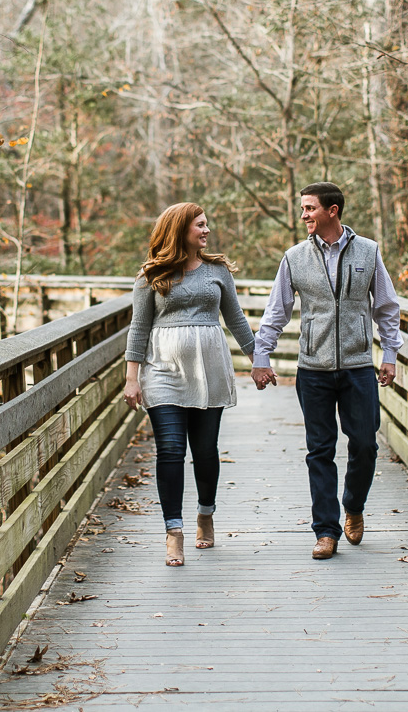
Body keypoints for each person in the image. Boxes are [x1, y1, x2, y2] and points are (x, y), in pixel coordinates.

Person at [251, 182, 402, 560]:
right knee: (320, 450)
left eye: (309, 209)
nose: (304, 216)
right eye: (303, 209)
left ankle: (353, 505)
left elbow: (386, 306)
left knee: (365, 444)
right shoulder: (295, 258)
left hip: (357, 367)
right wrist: (261, 355)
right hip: (313, 369)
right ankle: (326, 530)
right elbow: (277, 312)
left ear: (332, 211)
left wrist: (390, 354)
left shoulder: (368, 251)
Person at [124, 203, 257, 567]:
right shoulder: (151, 275)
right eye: (200, 225)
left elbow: (236, 319)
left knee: (205, 450)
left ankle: (205, 513)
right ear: (180, 229)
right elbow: (139, 328)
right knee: (169, 450)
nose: (207, 230)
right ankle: (174, 532)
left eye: (206, 224)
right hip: (163, 369)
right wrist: (131, 377)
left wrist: (258, 360)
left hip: (209, 370)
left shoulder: (218, 271)